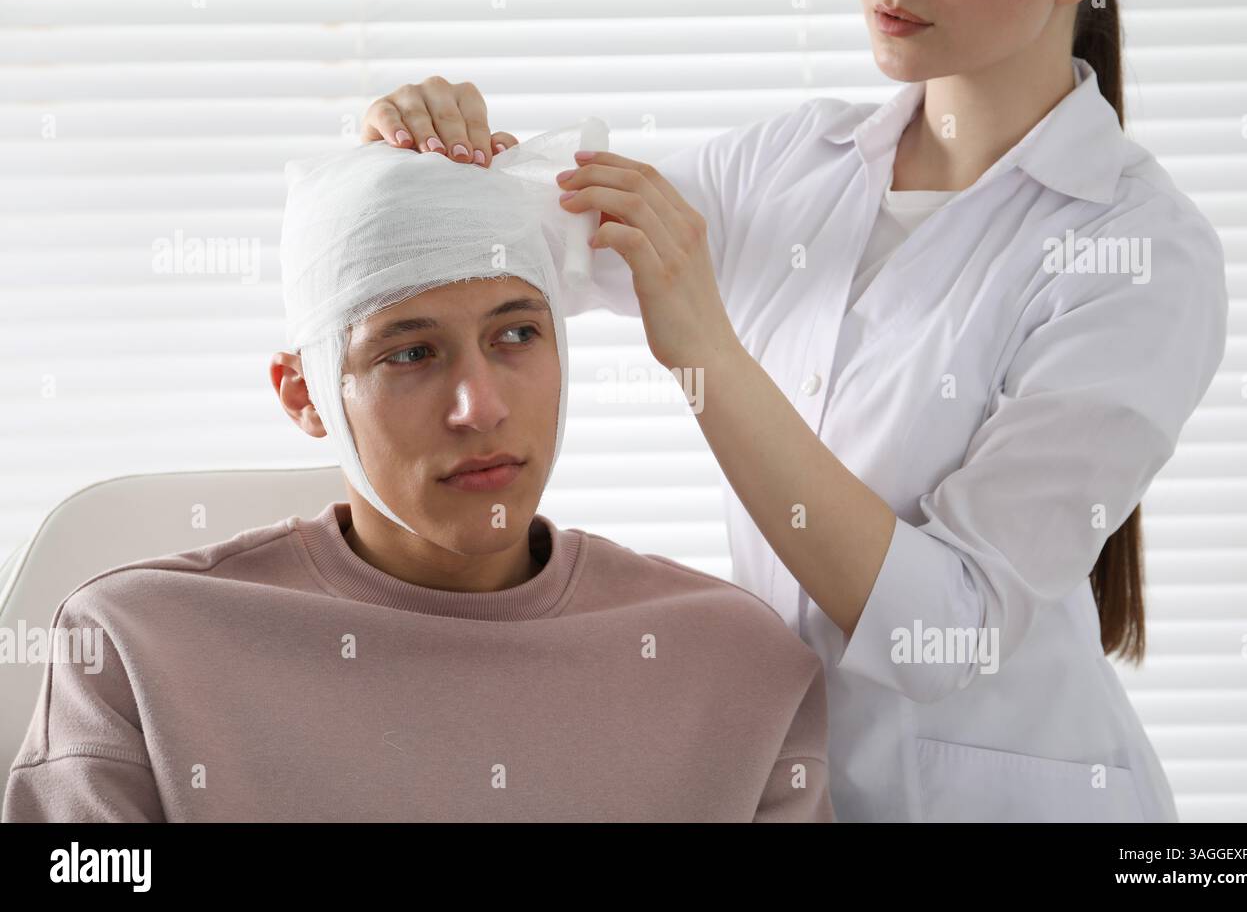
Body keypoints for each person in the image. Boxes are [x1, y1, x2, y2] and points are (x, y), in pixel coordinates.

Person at [358, 0, 1227, 821]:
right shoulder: (787, 164)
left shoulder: (1137, 250)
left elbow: (949, 629)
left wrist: (706, 350)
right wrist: (409, 152)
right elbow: (493, 244)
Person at [1, 135, 834, 823]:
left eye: (516, 336)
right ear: (306, 395)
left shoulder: (735, 667)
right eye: (409, 353)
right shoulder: (135, 650)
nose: (480, 407)